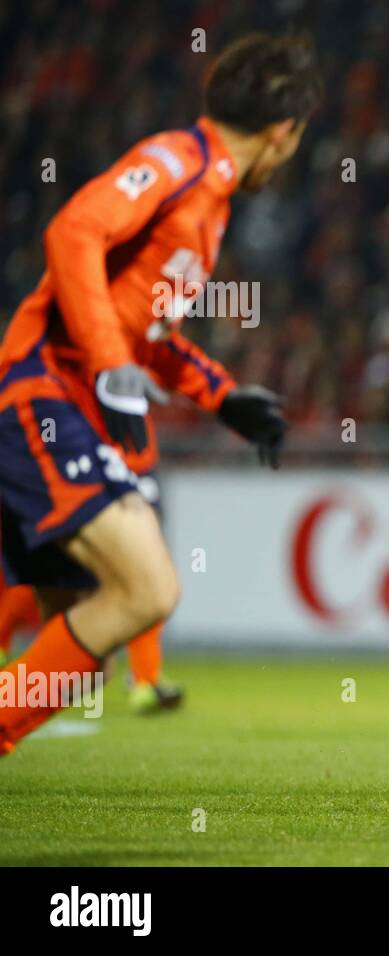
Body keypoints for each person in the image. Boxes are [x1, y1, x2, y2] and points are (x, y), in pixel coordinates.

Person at [0, 33, 320, 753]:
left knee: (87, 632)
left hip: (67, 402)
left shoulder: (210, 203)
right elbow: (74, 230)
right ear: (282, 132)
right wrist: (113, 368)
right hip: (43, 394)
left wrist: (222, 394)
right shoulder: (177, 161)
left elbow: (140, 326)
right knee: (146, 592)